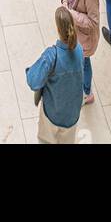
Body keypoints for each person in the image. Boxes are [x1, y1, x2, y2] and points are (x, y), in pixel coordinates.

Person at [25, 8, 86, 145]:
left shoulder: (52, 55)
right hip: (72, 114)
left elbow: (33, 81)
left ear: (58, 30)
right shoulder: (80, 50)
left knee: (45, 140)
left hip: (52, 113)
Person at [61, 0, 103, 104]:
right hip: (73, 29)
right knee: (75, 58)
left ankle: (87, 92)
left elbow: (93, 22)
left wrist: (71, 14)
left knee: (84, 62)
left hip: (84, 37)